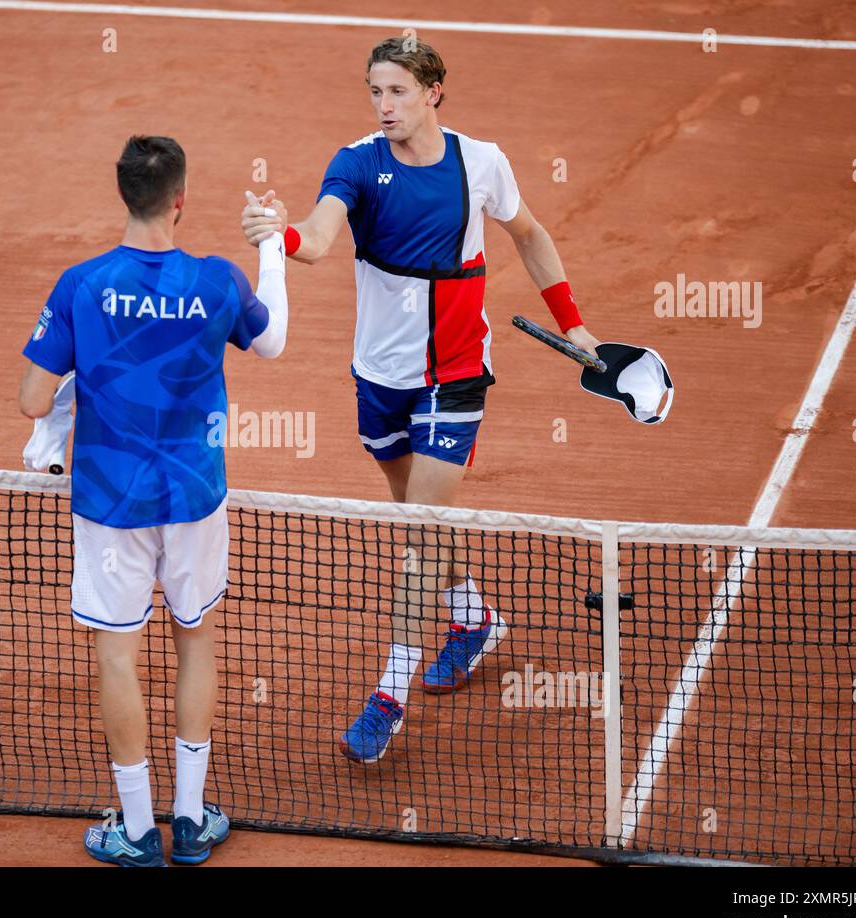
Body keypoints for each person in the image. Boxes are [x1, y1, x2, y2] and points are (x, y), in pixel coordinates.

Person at [240, 37, 602, 763]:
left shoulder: (481, 163)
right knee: (421, 523)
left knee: (417, 542)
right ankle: (474, 621)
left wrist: (576, 325)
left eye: (398, 91)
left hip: (457, 373)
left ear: (434, 90)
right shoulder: (357, 163)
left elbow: (529, 235)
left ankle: (388, 694)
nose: (385, 106)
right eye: (376, 91)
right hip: (379, 377)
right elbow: (317, 236)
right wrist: (277, 236)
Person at [21, 135, 289, 865]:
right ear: (180, 199)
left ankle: (138, 831)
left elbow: (32, 397)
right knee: (195, 639)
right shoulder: (217, 281)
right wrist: (268, 245)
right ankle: (192, 820)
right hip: (196, 497)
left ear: (124, 196)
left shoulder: (80, 282)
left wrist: (77, 389)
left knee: (118, 656)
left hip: (109, 504)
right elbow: (273, 343)